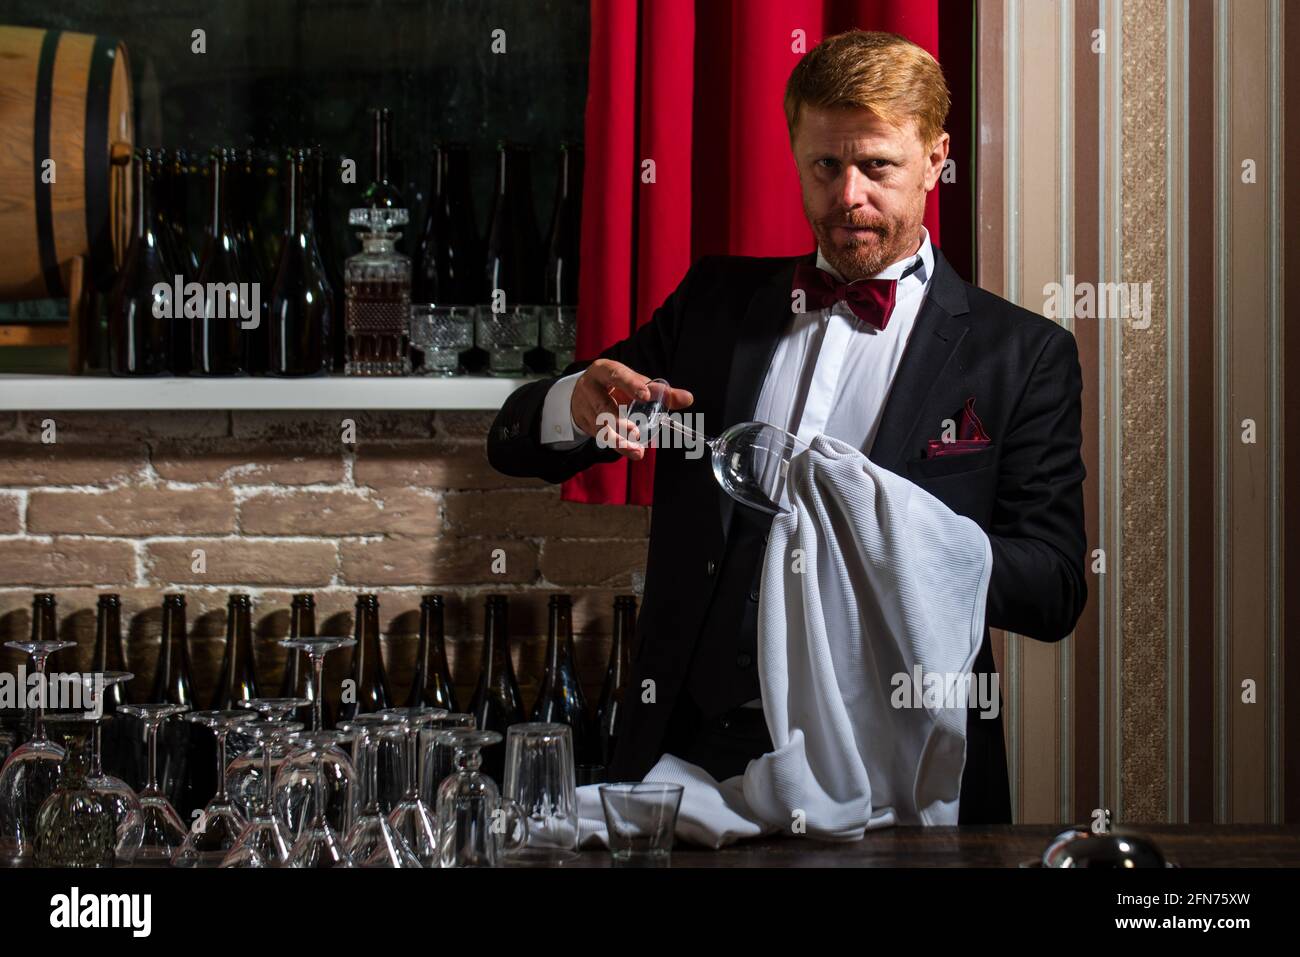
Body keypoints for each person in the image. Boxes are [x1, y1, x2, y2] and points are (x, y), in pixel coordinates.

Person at [487, 30, 1086, 824]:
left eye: (877, 166)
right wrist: (576, 402)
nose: (848, 196)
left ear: (937, 158)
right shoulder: (714, 304)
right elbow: (513, 443)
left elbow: (1054, 588)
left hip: (892, 781)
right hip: (685, 757)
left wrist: (903, 532)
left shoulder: (1023, 354)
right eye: (825, 165)